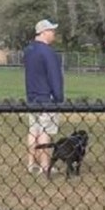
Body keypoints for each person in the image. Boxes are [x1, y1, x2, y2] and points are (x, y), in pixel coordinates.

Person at [24, 19, 64, 174]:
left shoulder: (29, 50)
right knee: (45, 131)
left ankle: (30, 163)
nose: (54, 34)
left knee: (33, 130)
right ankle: (45, 165)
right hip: (47, 98)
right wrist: (59, 97)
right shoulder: (48, 52)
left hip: (32, 97)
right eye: (52, 31)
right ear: (44, 32)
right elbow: (54, 77)